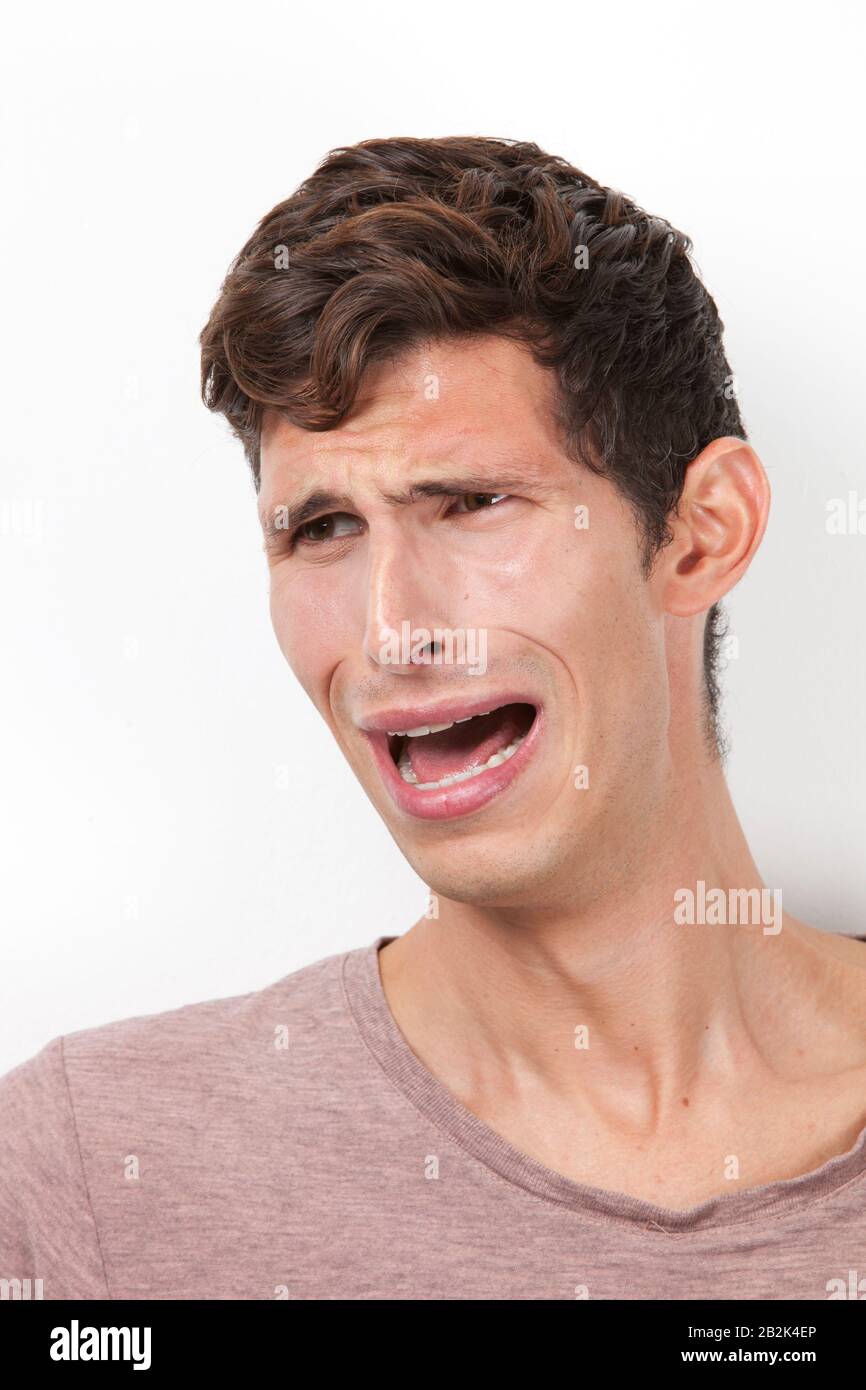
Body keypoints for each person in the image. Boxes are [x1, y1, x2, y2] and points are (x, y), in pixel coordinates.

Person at [2, 136, 864, 1301]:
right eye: (320, 529)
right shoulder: (91, 1176)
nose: (392, 630)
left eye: (469, 503)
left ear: (700, 532)